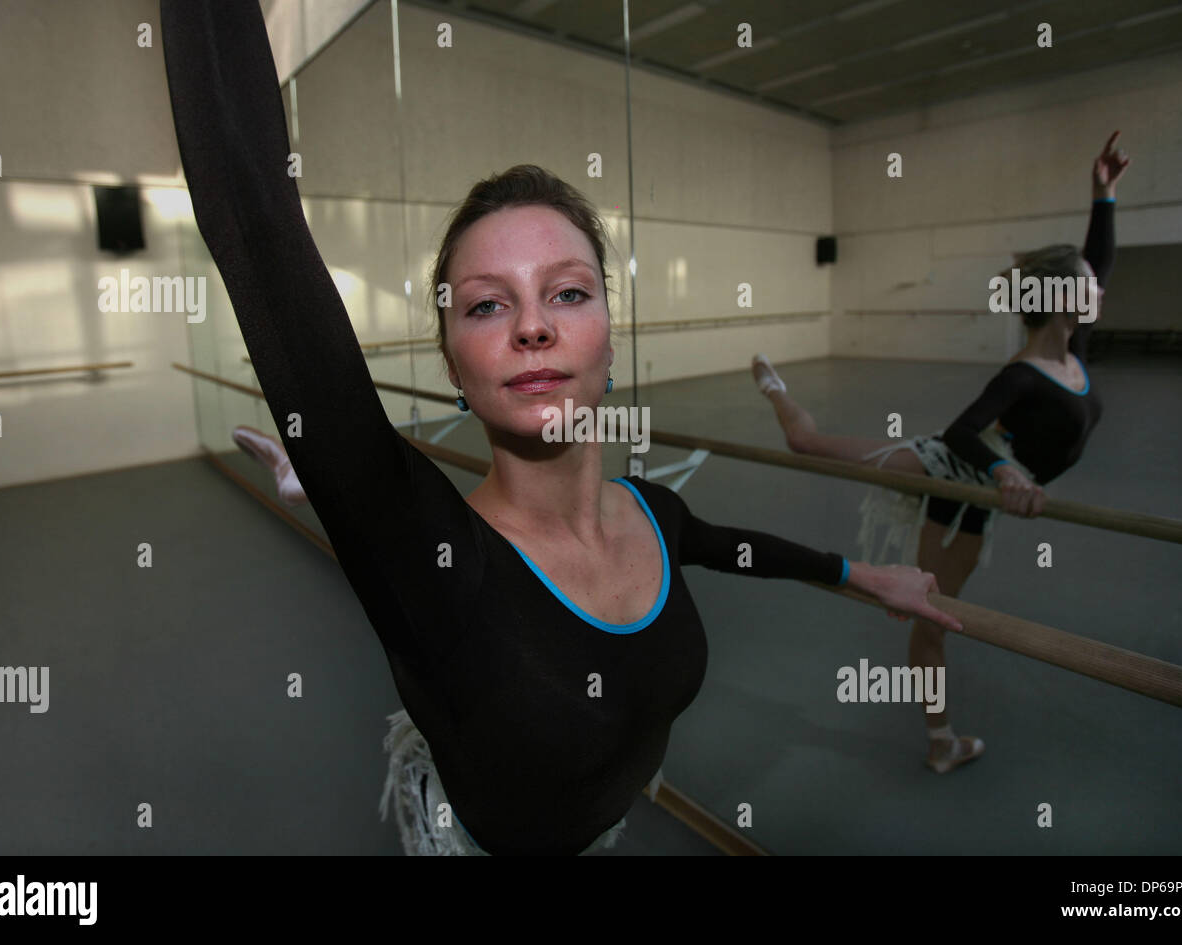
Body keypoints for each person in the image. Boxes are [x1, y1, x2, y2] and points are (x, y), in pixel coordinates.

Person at [160, 0, 960, 855]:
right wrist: (343, 475)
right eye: (487, 305)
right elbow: (254, 215)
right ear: (454, 365)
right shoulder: (435, 558)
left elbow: (730, 545)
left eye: (568, 292)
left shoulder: (652, 513)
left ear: (610, 337)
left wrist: (867, 575)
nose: (533, 325)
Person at [751, 132, 1127, 774]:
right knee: (808, 447)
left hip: (981, 498)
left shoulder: (1074, 350)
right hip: (951, 473)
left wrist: (1104, 195)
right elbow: (961, 433)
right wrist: (1007, 469)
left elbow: (1098, 262)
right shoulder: (1025, 372)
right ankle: (777, 389)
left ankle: (941, 738)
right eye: (1086, 287)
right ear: (1062, 301)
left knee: (936, 613)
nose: (1099, 290)